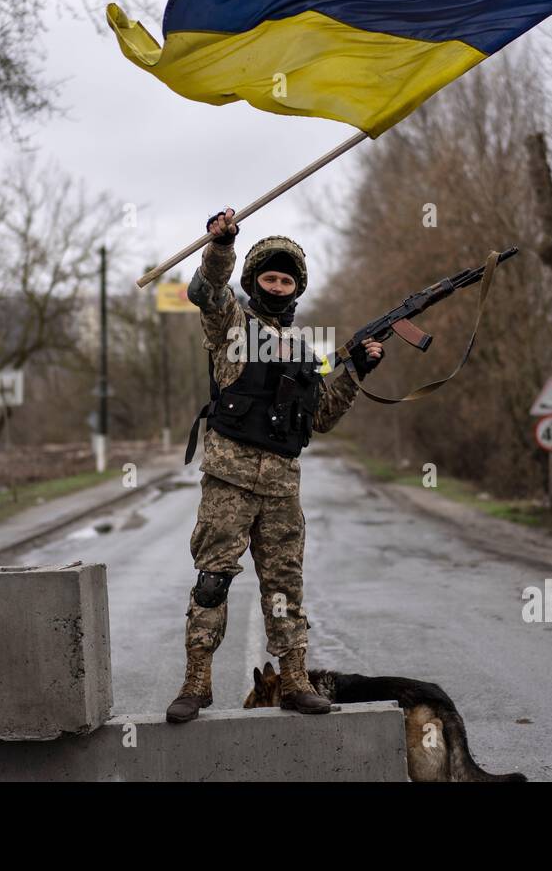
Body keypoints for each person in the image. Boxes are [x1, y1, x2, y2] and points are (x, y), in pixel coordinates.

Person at [167, 207, 384, 723]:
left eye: (287, 279)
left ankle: (293, 680)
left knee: (285, 588)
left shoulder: (305, 352)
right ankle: (196, 682)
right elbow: (207, 292)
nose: (279, 285)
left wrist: (356, 370)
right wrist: (222, 245)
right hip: (228, 481)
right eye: (270, 276)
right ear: (254, 280)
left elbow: (323, 418)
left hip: (282, 488)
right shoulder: (230, 324)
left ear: (297, 288)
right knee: (212, 581)